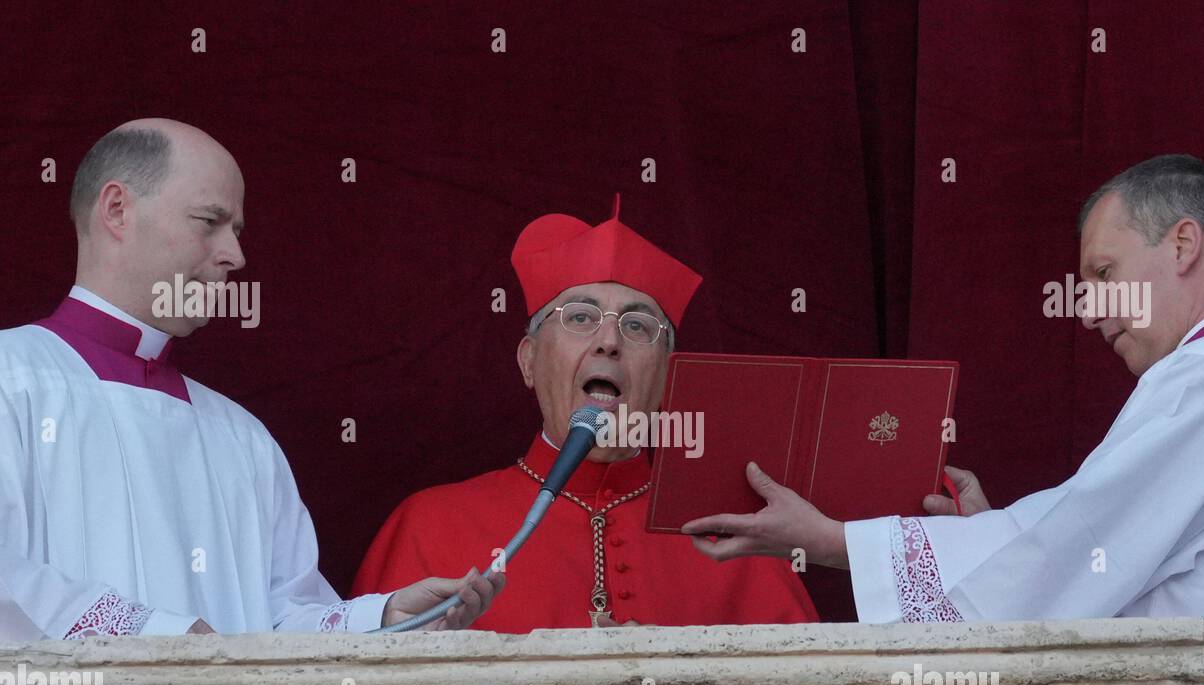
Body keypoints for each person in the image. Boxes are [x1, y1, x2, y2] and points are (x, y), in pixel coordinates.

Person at [684, 155, 1204, 621]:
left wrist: (832, 540)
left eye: (1104, 273)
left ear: (1183, 244)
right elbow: (1115, 547)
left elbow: (1078, 550)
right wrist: (984, 533)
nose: (1088, 312)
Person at [0, 119, 502, 641]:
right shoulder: (10, 378)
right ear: (117, 210)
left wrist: (383, 618)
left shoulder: (240, 435)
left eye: (236, 231)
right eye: (209, 221)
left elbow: (282, 621)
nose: (235, 256)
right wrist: (158, 637)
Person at [353, 197, 818, 631]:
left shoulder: (737, 541)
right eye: (579, 318)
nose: (609, 342)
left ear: (669, 377)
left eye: (638, 326)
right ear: (529, 361)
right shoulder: (430, 526)